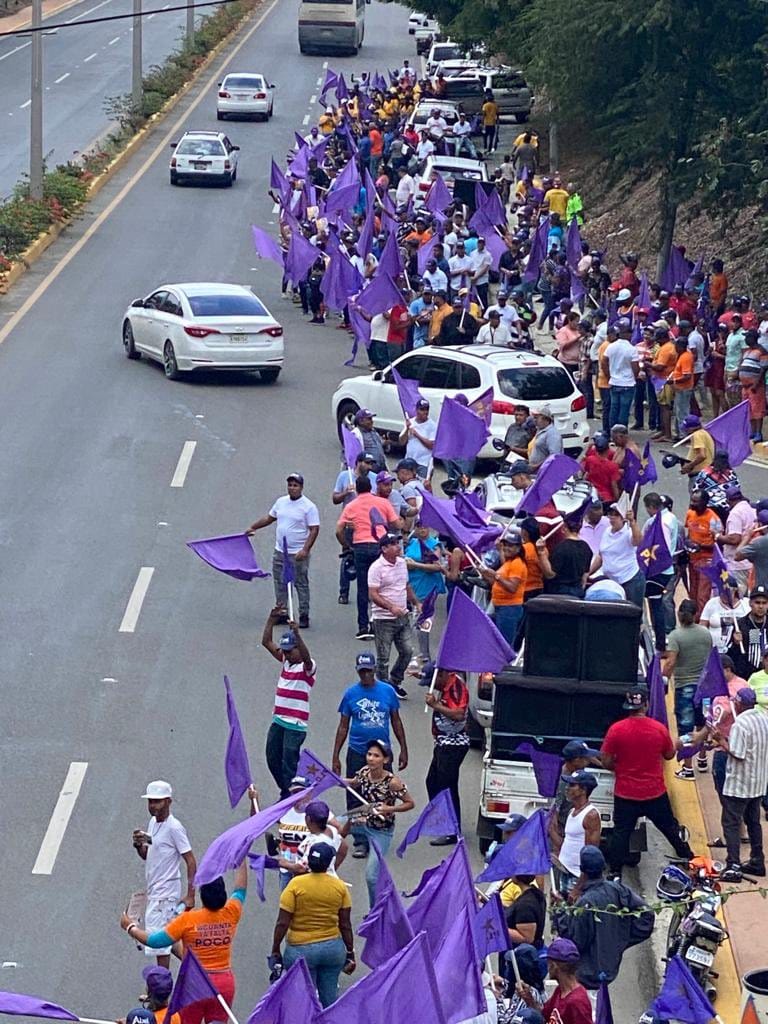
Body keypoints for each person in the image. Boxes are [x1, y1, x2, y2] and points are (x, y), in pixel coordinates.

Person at [121, 858, 248, 1024]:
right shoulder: (231, 912)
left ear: (202, 895)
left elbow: (155, 941)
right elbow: (240, 889)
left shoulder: (188, 920)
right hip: (223, 984)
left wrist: (130, 927)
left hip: (194, 984)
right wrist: (241, 856)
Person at [601, 684, 694, 876]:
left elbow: (607, 761)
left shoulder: (616, 730)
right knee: (669, 828)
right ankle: (689, 858)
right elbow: (669, 755)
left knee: (621, 834)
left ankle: (615, 872)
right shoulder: (658, 729)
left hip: (626, 793)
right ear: (646, 705)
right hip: (654, 792)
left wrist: (620, 768)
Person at [332, 650, 408, 857]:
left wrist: (403, 749)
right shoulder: (350, 694)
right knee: (356, 795)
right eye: (361, 671)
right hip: (357, 751)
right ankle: (360, 840)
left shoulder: (387, 692)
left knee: (385, 793)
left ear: (375, 669)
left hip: (382, 752)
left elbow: (396, 721)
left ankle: (380, 832)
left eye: (368, 671)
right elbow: (342, 726)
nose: (365, 675)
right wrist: (336, 755)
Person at [551, 846, 654, 990]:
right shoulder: (617, 890)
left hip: (587, 976)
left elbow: (575, 941)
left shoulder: (585, 903)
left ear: (582, 870)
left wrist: (560, 910)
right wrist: (621, 940)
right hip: (610, 970)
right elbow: (647, 915)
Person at [272, 842, 355, 1007]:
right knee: (329, 999)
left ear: (308, 861)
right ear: (328, 863)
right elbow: (345, 924)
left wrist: (275, 949)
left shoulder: (295, 886)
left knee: (303, 1001)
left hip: (300, 951)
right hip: (332, 950)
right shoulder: (340, 887)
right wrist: (350, 951)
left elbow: (282, 922)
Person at [132, 781, 196, 968]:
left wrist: (191, 895)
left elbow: (190, 860)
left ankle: (160, 989)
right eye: (151, 802)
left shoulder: (174, 828)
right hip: (155, 890)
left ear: (168, 802)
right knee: (169, 939)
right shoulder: (153, 824)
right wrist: (139, 846)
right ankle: (199, 973)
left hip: (165, 893)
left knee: (159, 942)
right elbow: (149, 855)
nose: (153, 806)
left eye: (157, 802)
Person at [343, 738, 415, 906]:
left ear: (386, 759)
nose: (371, 759)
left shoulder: (393, 782)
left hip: (381, 831)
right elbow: (353, 783)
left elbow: (410, 803)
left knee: (371, 876)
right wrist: (333, 779)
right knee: (332, 825)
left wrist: (388, 809)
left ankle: (374, 911)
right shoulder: (364, 772)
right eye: (369, 754)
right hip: (361, 818)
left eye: (376, 756)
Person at [247, 473, 320, 629]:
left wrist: (305, 550)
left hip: (297, 553)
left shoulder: (308, 507)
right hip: (280, 551)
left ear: (301, 487)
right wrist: (253, 527)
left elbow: (314, 529)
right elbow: (269, 518)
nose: (292, 488)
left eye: (295, 485)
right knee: (280, 583)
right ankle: (282, 611)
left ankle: (304, 614)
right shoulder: (281, 502)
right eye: (290, 485)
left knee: (300, 583)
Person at [336, 476, 401, 641]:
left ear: (357, 489)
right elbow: (397, 524)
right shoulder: (382, 503)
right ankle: (381, 624)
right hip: (380, 547)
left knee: (363, 588)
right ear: (371, 487)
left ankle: (363, 627)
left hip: (360, 548)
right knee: (382, 586)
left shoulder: (352, 506)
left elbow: (338, 530)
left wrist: (347, 546)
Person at [714, 688, 768, 881]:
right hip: (758, 782)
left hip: (739, 784)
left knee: (731, 823)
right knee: (754, 822)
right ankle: (757, 860)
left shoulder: (740, 725)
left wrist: (720, 740)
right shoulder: (763, 718)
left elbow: (738, 753)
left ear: (739, 703)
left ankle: (733, 865)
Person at [261, 608, 316, 797]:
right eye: (285, 651)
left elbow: (307, 658)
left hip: (295, 725)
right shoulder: (285, 662)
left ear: (298, 649)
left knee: (289, 761)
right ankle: (286, 791)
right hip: (279, 720)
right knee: (272, 757)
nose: (287, 654)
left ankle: (291, 797)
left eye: (290, 651)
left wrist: (298, 635)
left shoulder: (307, 668)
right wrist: (271, 618)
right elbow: (266, 642)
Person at [662, 598, 712, 777]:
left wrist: (663, 679)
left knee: (685, 728)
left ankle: (688, 767)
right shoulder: (706, 633)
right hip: (705, 686)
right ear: (696, 614)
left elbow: (670, 662)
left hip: (685, 686)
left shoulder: (676, 636)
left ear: (679, 615)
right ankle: (703, 758)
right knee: (704, 724)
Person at [422, 663, 470, 846]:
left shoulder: (455, 687)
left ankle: (451, 830)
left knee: (446, 786)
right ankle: (442, 820)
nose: (432, 687)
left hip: (453, 744)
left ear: (441, 674)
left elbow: (458, 714)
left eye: (433, 681)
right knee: (432, 781)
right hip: (443, 742)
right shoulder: (446, 683)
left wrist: (436, 705)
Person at [517, 938, 593, 1024]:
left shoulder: (577, 1002)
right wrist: (529, 999)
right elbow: (543, 1015)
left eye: (548, 963)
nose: (547, 967)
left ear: (554, 966)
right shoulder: (560, 991)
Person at [550, 771, 601, 896]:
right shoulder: (572, 811)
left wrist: (578, 888)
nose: (567, 788)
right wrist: (550, 828)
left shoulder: (591, 815)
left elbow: (591, 856)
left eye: (572, 785)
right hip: (564, 871)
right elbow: (568, 843)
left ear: (583, 790)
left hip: (577, 877)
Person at [404, 520, 446, 662]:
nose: (422, 530)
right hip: (413, 584)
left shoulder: (434, 545)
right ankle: (420, 653)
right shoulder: (412, 543)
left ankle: (425, 654)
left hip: (428, 586)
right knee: (415, 620)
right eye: (419, 527)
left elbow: (437, 566)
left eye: (424, 527)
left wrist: (415, 565)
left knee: (423, 620)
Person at [589, 503, 644, 606]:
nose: (612, 517)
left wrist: (632, 522)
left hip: (630, 580)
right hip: (612, 582)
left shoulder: (628, 532)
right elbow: (601, 556)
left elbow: (638, 541)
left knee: (633, 613)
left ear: (622, 518)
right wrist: (588, 572)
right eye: (610, 513)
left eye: (616, 514)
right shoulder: (606, 532)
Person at [278, 800, 348, 880]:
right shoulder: (332, 830)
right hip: (329, 879)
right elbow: (344, 848)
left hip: (310, 883)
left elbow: (301, 868)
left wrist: (283, 863)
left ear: (308, 819)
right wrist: (331, 869)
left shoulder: (314, 843)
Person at [480, 532, 527, 647]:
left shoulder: (517, 564)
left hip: (510, 608)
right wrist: (485, 575)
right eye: (505, 545)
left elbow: (512, 587)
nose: (506, 548)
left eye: (510, 546)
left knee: (504, 644)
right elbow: (498, 583)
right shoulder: (508, 563)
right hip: (500, 606)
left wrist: (495, 575)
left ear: (518, 548)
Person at [684, 489, 721, 614]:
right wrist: (688, 544)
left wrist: (702, 546)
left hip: (707, 561)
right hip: (692, 559)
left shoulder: (713, 519)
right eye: (692, 501)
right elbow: (689, 533)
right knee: (692, 593)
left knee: (702, 596)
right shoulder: (690, 513)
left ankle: (702, 622)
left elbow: (719, 543)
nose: (693, 504)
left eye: (696, 502)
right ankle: (692, 620)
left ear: (705, 502)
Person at [537, 515, 592, 598]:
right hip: (578, 592)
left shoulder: (561, 548)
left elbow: (550, 574)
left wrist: (541, 553)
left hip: (558, 593)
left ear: (564, 528)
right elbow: (585, 576)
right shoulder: (587, 548)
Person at [601, 320, 639, 429]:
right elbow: (635, 367)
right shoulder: (632, 349)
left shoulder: (611, 347)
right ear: (629, 335)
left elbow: (604, 362)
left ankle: (613, 431)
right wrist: (634, 377)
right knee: (624, 409)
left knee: (614, 408)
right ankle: (621, 432)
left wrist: (609, 375)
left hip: (614, 382)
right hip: (628, 383)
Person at [720, 483, 756, 590]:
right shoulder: (750, 509)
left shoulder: (736, 513)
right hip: (748, 562)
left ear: (728, 500)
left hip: (736, 564)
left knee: (736, 596)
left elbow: (735, 538)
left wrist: (718, 536)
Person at [728, 584, 768, 678]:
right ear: (750, 603)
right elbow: (729, 654)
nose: (761, 606)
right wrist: (735, 644)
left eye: (764, 603)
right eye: (757, 603)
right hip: (746, 676)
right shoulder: (740, 625)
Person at [398, 398, 436, 478]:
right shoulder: (410, 422)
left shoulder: (432, 425)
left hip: (423, 463)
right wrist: (407, 429)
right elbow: (401, 442)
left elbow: (431, 445)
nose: (425, 412)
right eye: (422, 409)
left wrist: (417, 435)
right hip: (409, 461)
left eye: (427, 409)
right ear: (416, 410)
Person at [580, 434, 620, 504]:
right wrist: (617, 501)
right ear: (608, 449)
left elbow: (583, 473)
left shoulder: (590, 460)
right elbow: (614, 486)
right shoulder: (613, 466)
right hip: (606, 498)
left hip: (591, 495)